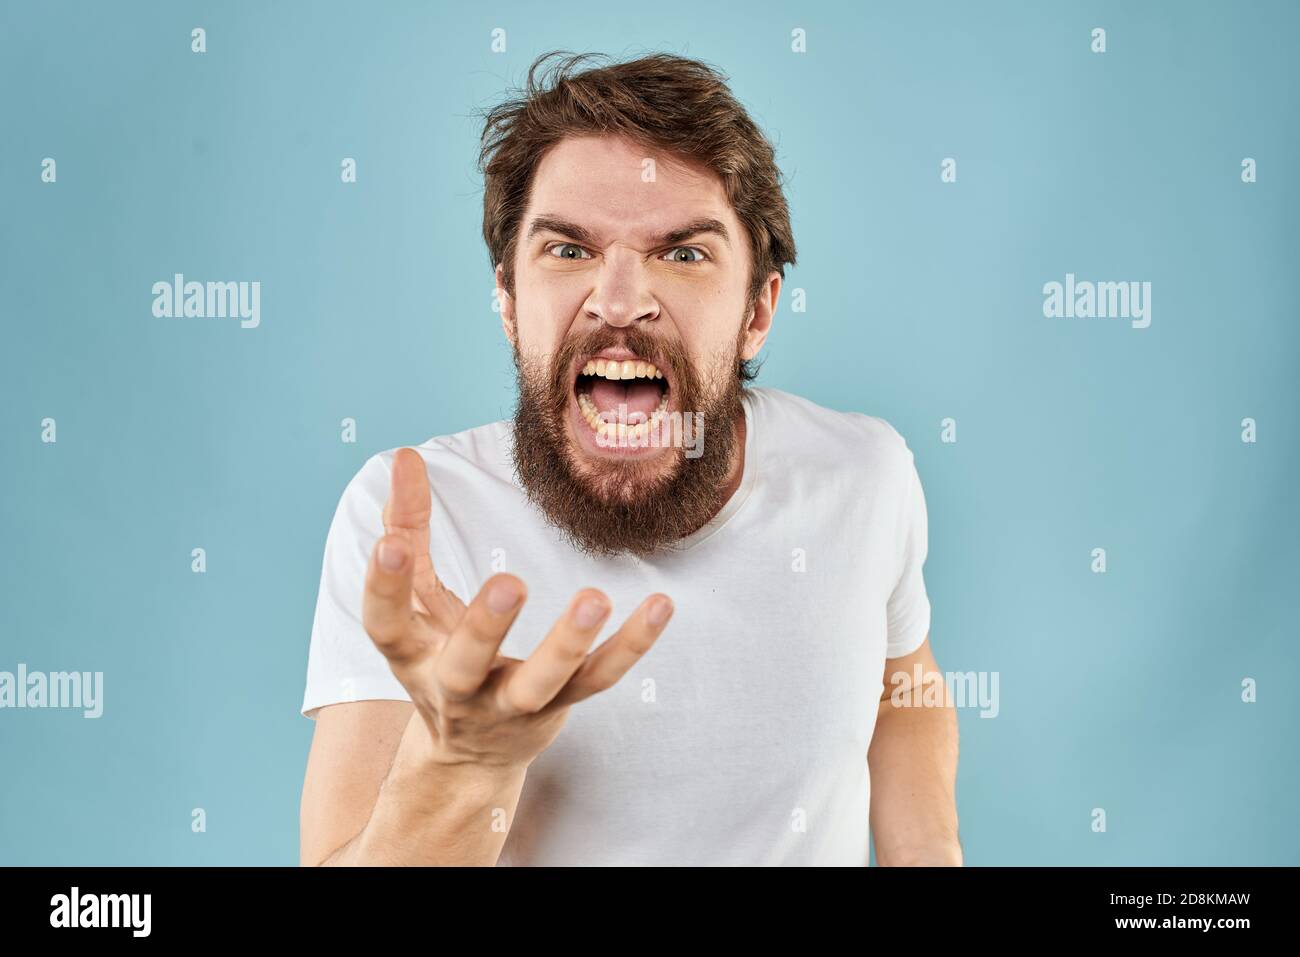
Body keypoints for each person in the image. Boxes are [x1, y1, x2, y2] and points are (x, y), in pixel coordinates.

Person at [299, 51, 961, 866]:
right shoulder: (416, 529)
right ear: (508, 300)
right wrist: (462, 766)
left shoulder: (867, 475)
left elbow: (904, 688)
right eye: (568, 251)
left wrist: (929, 850)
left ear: (757, 310)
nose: (618, 302)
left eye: (683, 254)